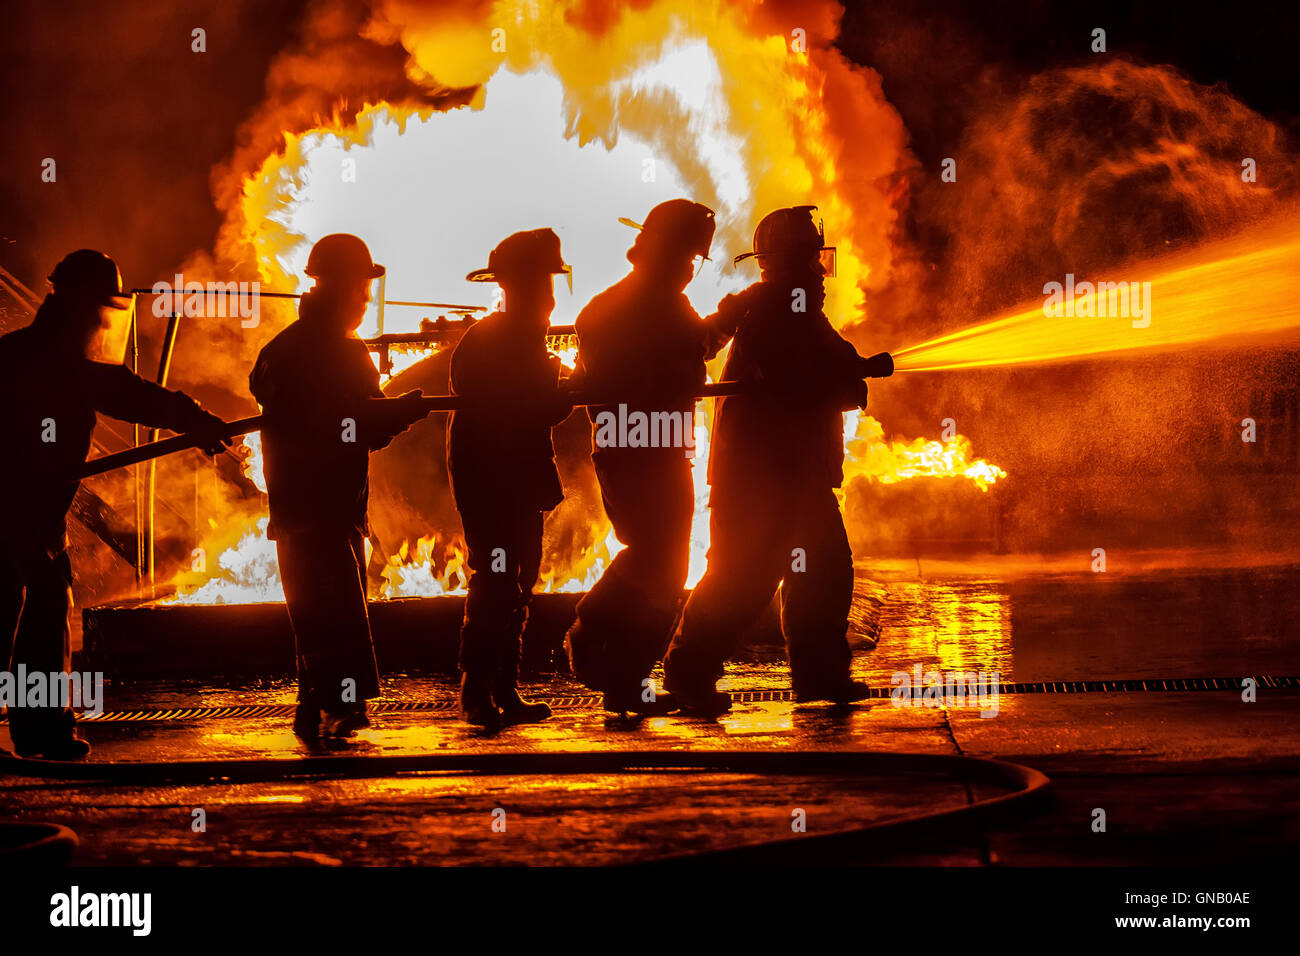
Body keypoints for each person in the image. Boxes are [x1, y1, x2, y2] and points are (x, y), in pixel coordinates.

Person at [0, 250, 228, 759]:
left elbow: (122, 390)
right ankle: (43, 732)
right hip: (22, 514)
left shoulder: (23, 350)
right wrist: (195, 420)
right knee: (39, 625)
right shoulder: (60, 360)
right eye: (100, 308)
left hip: (33, 514)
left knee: (33, 618)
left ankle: (42, 731)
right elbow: (130, 394)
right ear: (81, 304)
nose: (103, 321)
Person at [663, 206, 875, 715]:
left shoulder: (785, 307)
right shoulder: (780, 310)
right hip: (767, 479)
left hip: (789, 476)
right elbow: (811, 379)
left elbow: (830, 360)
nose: (821, 274)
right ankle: (689, 673)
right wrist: (855, 381)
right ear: (790, 261)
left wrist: (856, 371)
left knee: (820, 570)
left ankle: (817, 675)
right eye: (811, 259)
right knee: (744, 576)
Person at [563, 199, 740, 715]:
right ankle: (595, 639)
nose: (690, 268)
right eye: (688, 257)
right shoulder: (661, 304)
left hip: (626, 444)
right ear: (666, 254)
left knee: (653, 555)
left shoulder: (605, 305)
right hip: (655, 448)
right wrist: (730, 315)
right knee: (662, 562)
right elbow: (699, 344)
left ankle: (620, 675)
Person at [249, 234, 428, 742]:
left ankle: (315, 703)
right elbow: (357, 426)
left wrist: (382, 413)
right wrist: (401, 412)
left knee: (314, 608)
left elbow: (319, 414)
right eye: (361, 289)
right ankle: (341, 706)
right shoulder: (341, 353)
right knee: (336, 608)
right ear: (343, 287)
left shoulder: (281, 348)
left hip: (299, 505)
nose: (366, 300)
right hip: (327, 505)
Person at [448, 228, 573, 728]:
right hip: (493, 479)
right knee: (497, 583)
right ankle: (477, 691)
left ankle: (503, 688)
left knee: (517, 584)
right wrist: (566, 387)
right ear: (518, 287)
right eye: (542, 285)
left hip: (516, 477)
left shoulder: (518, 336)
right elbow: (528, 408)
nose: (548, 297)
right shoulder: (495, 340)